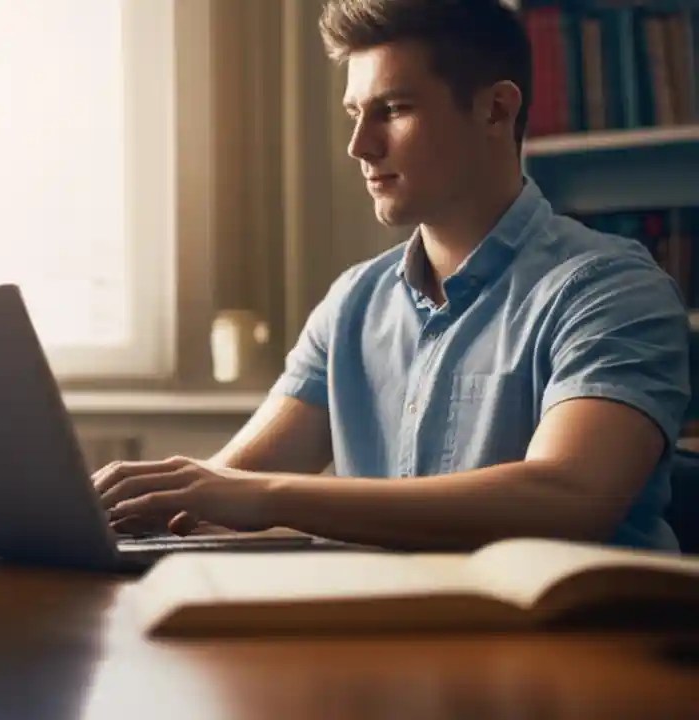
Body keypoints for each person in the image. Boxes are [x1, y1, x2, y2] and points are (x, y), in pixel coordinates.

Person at [94, 0, 691, 551]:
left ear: (496, 108)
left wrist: (263, 498)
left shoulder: (610, 288)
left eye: (394, 109)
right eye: (355, 112)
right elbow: (222, 489)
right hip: (383, 642)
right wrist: (102, 513)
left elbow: (569, 498)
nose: (360, 145)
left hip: (578, 652)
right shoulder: (353, 303)